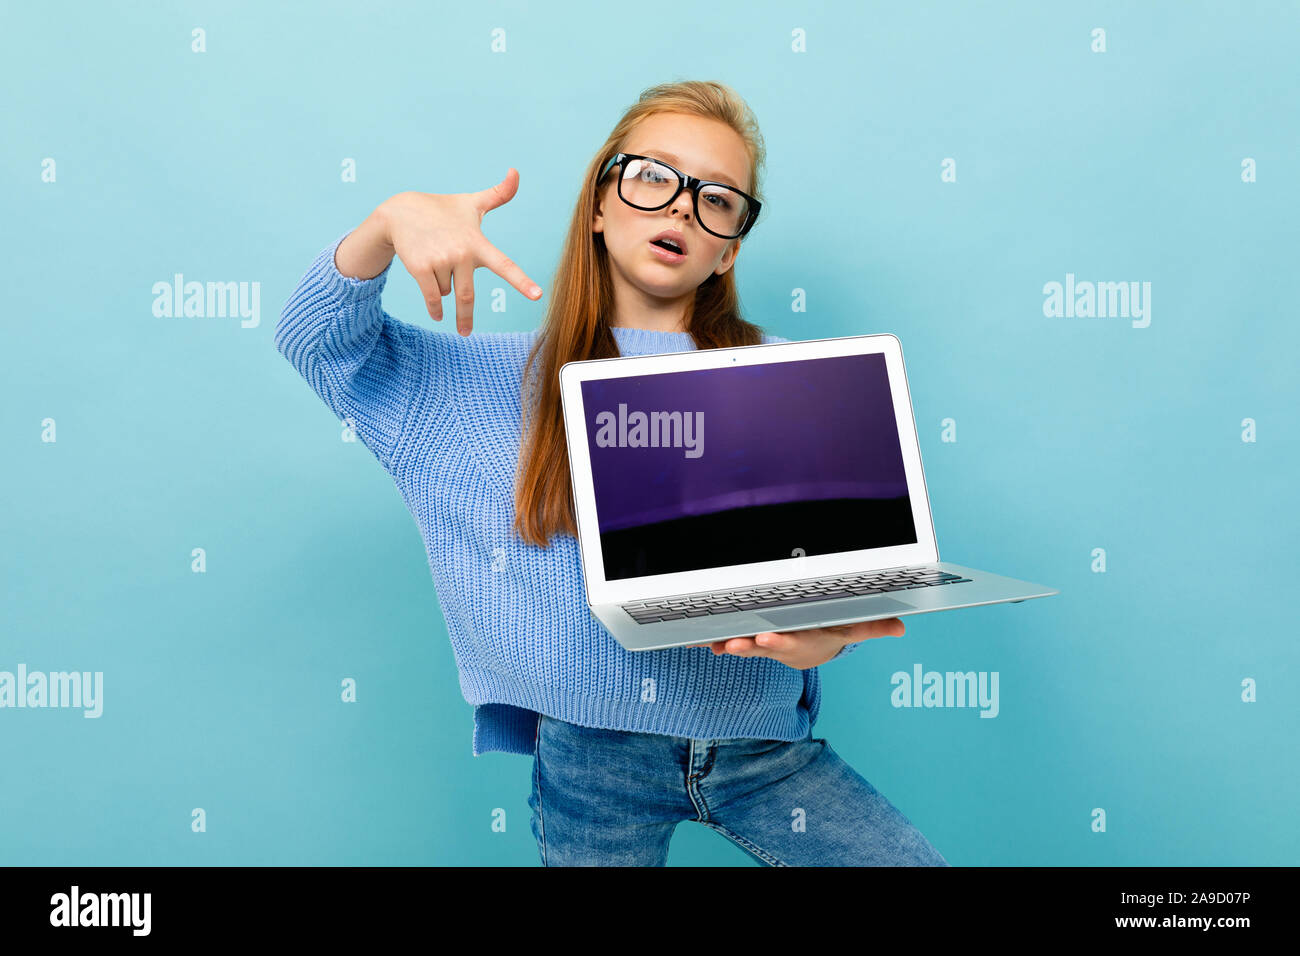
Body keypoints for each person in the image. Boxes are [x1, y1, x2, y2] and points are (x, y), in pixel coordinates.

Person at [275, 79, 948, 867]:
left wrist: (823, 644)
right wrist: (386, 224)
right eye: (654, 176)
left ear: (730, 245)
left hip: (764, 749)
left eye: (718, 200)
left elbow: (831, 583)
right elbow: (318, 343)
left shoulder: (783, 383)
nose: (680, 210)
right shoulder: (474, 387)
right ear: (599, 201)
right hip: (593, 764)